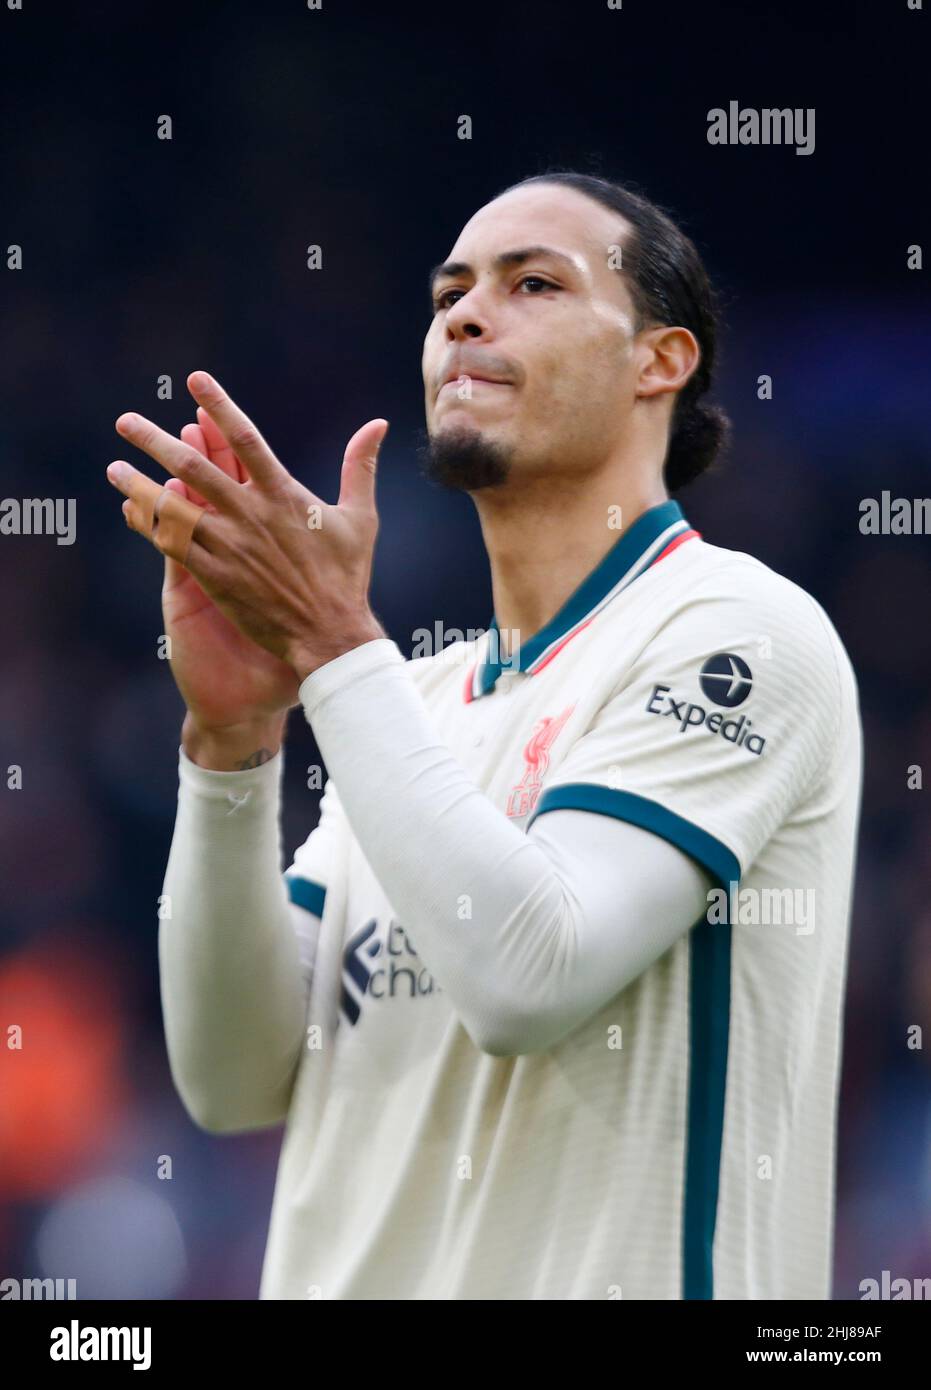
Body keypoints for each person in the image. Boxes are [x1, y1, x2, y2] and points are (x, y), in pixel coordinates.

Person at [106, 171, 862, 1300]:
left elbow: (525, 975)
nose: (463, 313)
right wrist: (231, 743)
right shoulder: (407, 703)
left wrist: (330, 649)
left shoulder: (738, 633)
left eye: (534, 284)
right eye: (449, 290)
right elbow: (231, 1078)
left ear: (660, 360)